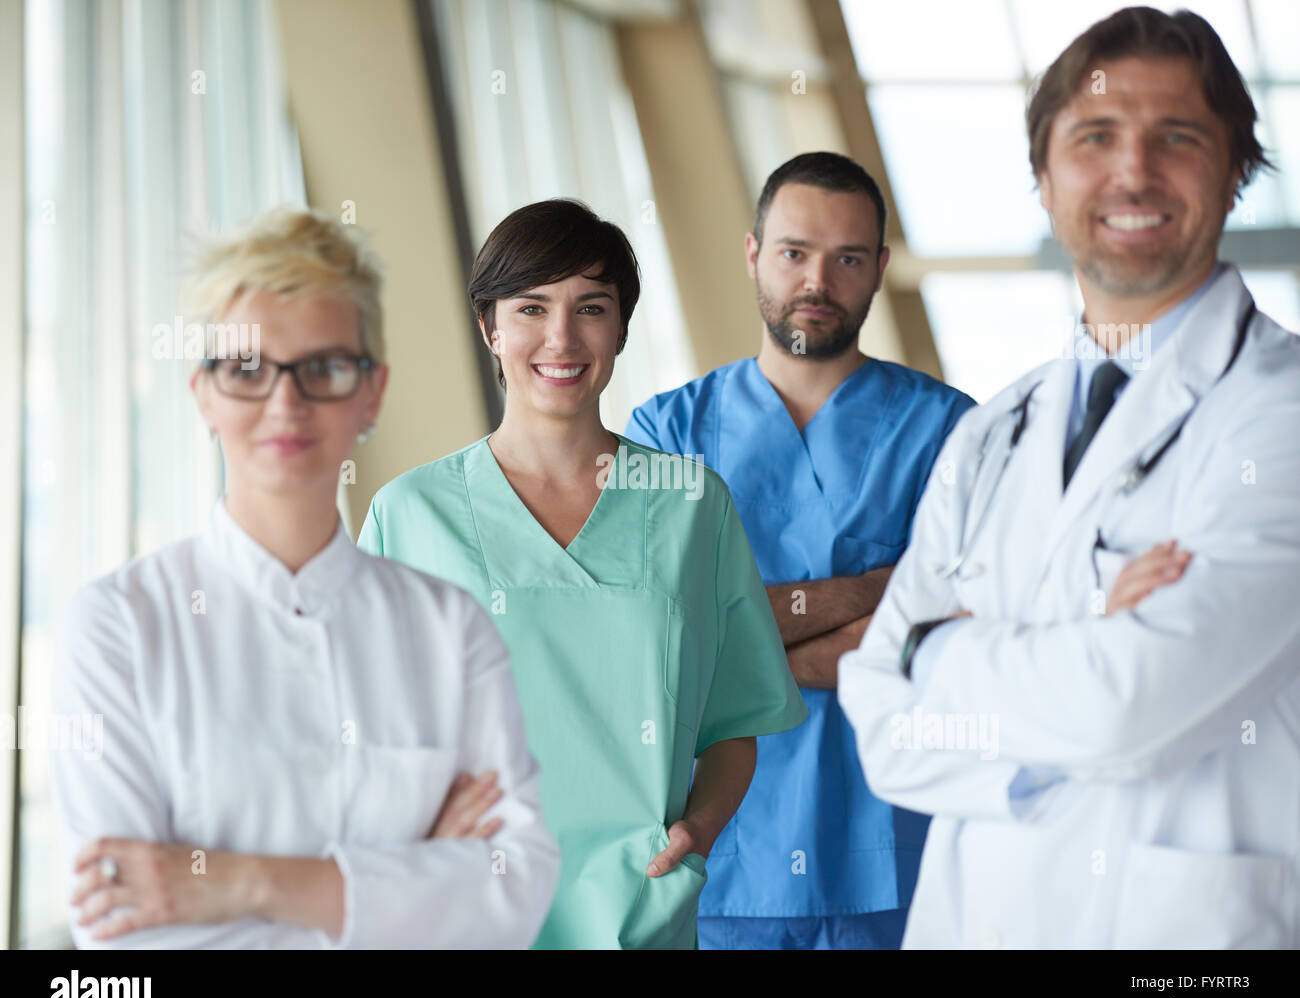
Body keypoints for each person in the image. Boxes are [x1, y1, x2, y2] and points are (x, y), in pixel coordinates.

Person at [839, 7, 1300, 948]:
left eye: (1177, 138)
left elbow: (1123, 705)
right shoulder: (993, 433)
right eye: (1095, 137)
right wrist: (1085, 638)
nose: (1133, 172)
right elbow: (880, 726)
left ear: (1235, 172)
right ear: (1044, 182)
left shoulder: (1279, 417)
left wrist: (935, 651)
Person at [50, 207, 559, 949]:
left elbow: (516, 891)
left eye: (322, 367)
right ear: (204, 393)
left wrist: (239, 885)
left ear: (372, 392)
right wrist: (412, 880)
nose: (285, 402)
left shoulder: (448, 629)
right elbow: (123, 929)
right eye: (248, 369)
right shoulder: (115, 627)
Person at [358, 198, 807, 950]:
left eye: (590, 307)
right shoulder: (410, 515)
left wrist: (695, 832)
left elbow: (737, 725)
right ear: (490, 328)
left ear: (621, 329)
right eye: (531, 307)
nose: (561, 338)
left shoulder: (692, 505)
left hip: (639, 913)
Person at [626, 153, 975, 950]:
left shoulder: (953, 431)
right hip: (723, 851)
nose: (817, 281)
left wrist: (734, 645)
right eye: (794, 253)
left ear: (880, 269)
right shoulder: (666, 434)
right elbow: (660, 635)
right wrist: (879, 593)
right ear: (753, 254)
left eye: (847, 258)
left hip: (895, 848)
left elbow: (955, 630)